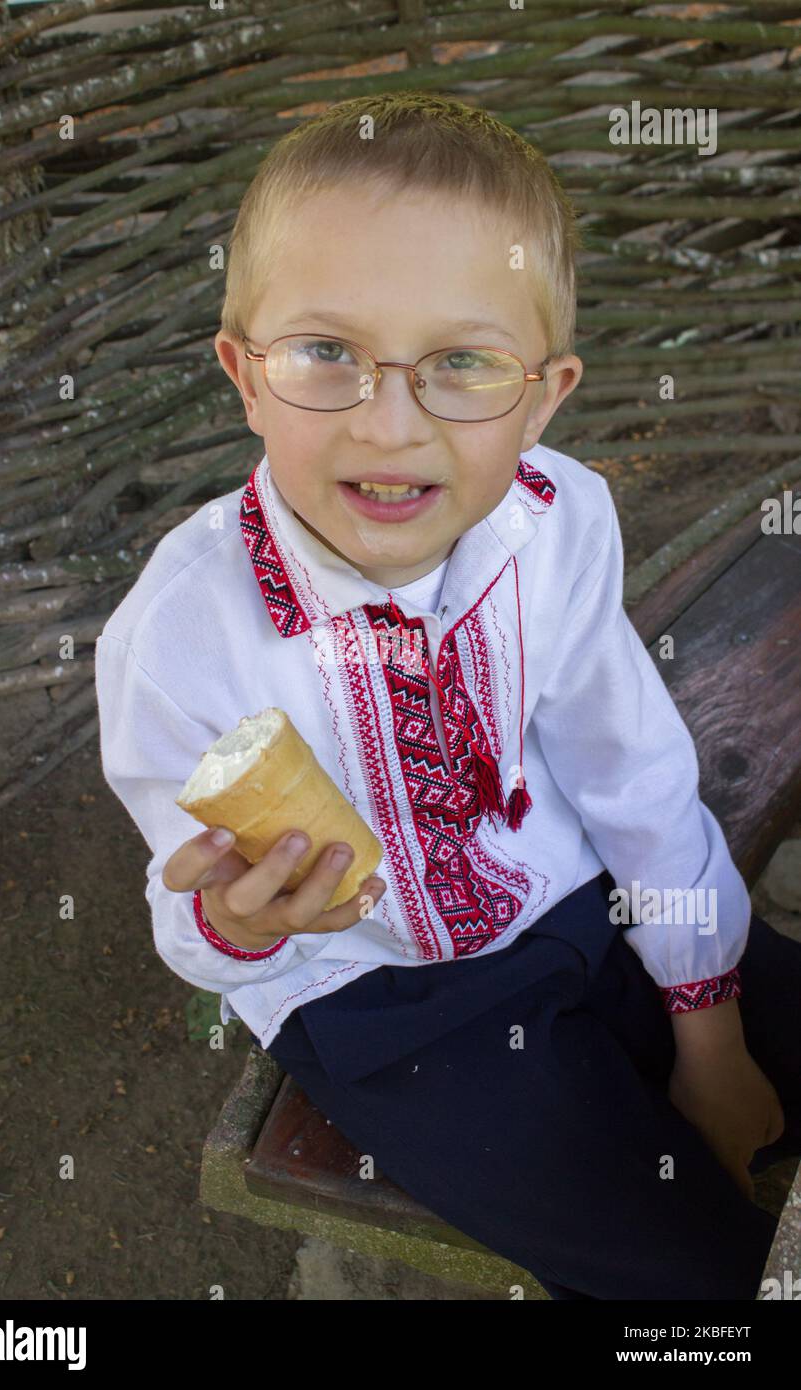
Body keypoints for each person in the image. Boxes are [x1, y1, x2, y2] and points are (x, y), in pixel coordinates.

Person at [94, 92, 800, 1300]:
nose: (388, 421)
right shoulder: (177, 640)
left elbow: (627, 770)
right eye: (325, 351)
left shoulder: (555, 521)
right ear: (241, 374)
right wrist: (246, 924)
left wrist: (708, 1029)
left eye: (461, 362)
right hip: (383, 1004)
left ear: (542, 394)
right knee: (682, 1272)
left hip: (573, 891)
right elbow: (193, 920)